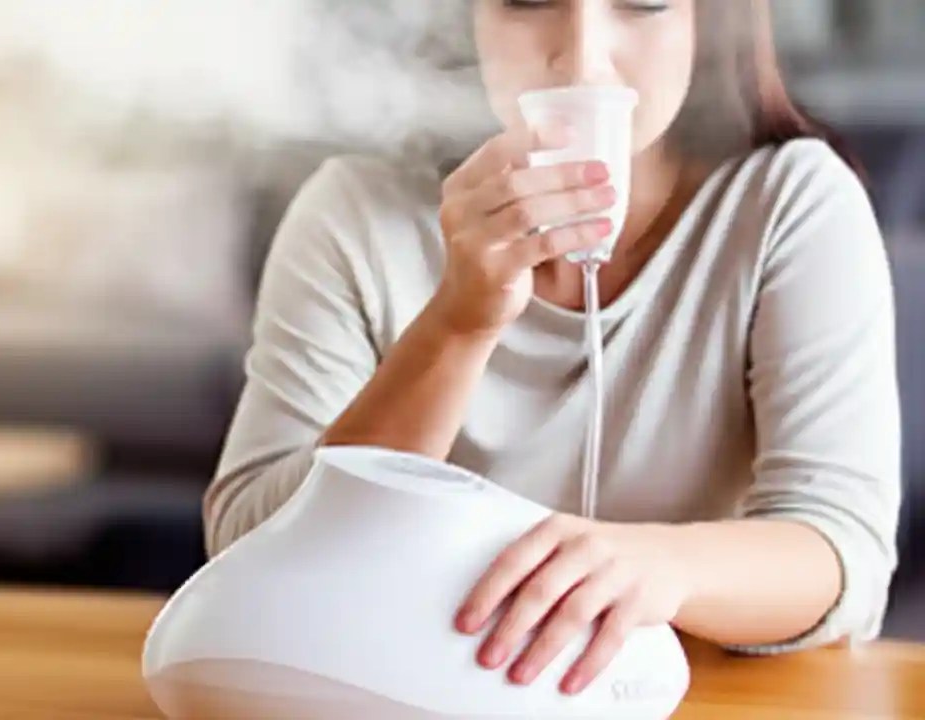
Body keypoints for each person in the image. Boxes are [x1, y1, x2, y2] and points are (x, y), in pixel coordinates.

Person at [203, 0, 901, 697]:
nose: (583, 60)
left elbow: (842, 551)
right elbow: (244, 551)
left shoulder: (788, 205)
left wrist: (655, 567)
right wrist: (458, 321)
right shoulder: (353, 217)